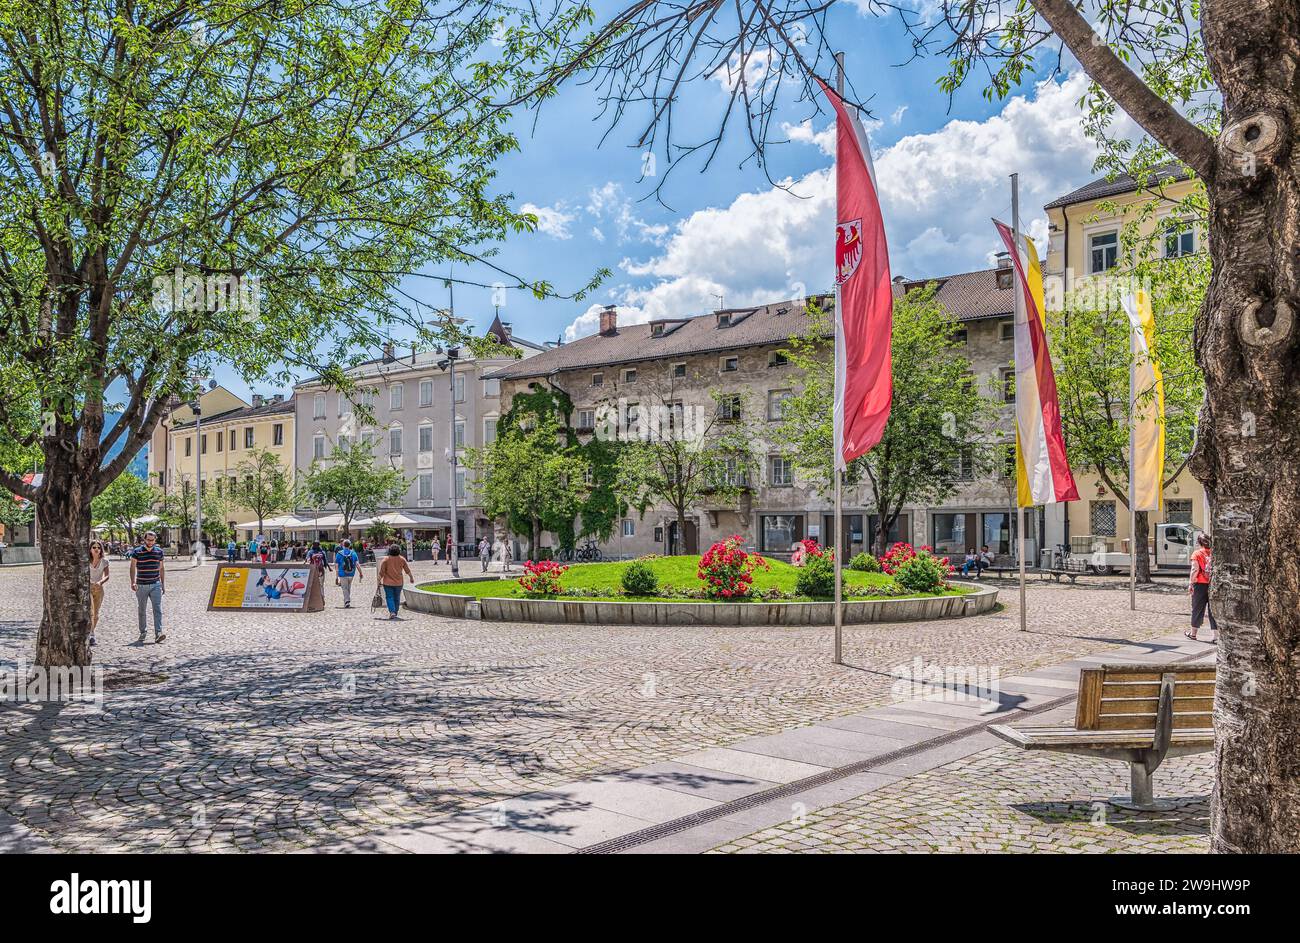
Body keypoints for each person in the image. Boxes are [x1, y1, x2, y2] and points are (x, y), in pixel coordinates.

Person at [129, 530, 166, 643]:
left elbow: (161, 568)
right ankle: (143, 632)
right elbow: (132, 567)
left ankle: (158, 633)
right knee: (142, 610)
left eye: (152, 540)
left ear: (155, 540)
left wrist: (163, 584)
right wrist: (133, 582)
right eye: (148, 540)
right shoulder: (137, 552)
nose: (150, 542)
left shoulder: (159, 552)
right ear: (144, 540)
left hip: (155, 584)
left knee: (157, 609)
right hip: (141, 584)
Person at [1187, 533, 1217, 642]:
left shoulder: (1197, 553)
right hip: (1213, 584)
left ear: (1199, 543)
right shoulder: (1215, 553)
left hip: (1199, 584)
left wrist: (1191, 583)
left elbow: (1195, 569)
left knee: (1197, 608)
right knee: (1213, 609)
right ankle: (1215, 636)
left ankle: (1193, 634)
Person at [377, 542, 413, 620]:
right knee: (397, 597)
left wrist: (378, 581)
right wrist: (411, 578)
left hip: (387, 583)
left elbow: (381, 572)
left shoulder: (386, 560)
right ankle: (395, 611)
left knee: (389, 597)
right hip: (399, 583)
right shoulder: (402, 559)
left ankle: (392, 612)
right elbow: (407, 570)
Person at [88, 539, 110, 647]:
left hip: (99, 588)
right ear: (90, 549)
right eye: (94, 547)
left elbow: (107, 575)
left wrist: (100, 582)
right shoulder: (86, 561)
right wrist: (90, 582)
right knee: (90, 611)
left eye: (98, 547)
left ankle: (91, 632)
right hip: (88, 588)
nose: (96, 549)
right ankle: (91, 635)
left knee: (96, 614)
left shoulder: (104, 561)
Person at [334, 539, 363, 608]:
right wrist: (360, 573)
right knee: (348, 587)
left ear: (343, 545)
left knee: (344, 588)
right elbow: (357, 564)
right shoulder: (353, 553)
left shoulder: (339, 553)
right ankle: (347, 600)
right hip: (351, 573)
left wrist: (336, 576)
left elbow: (336, 565)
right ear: (350, 545)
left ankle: (347, 601)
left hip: (342, 573)